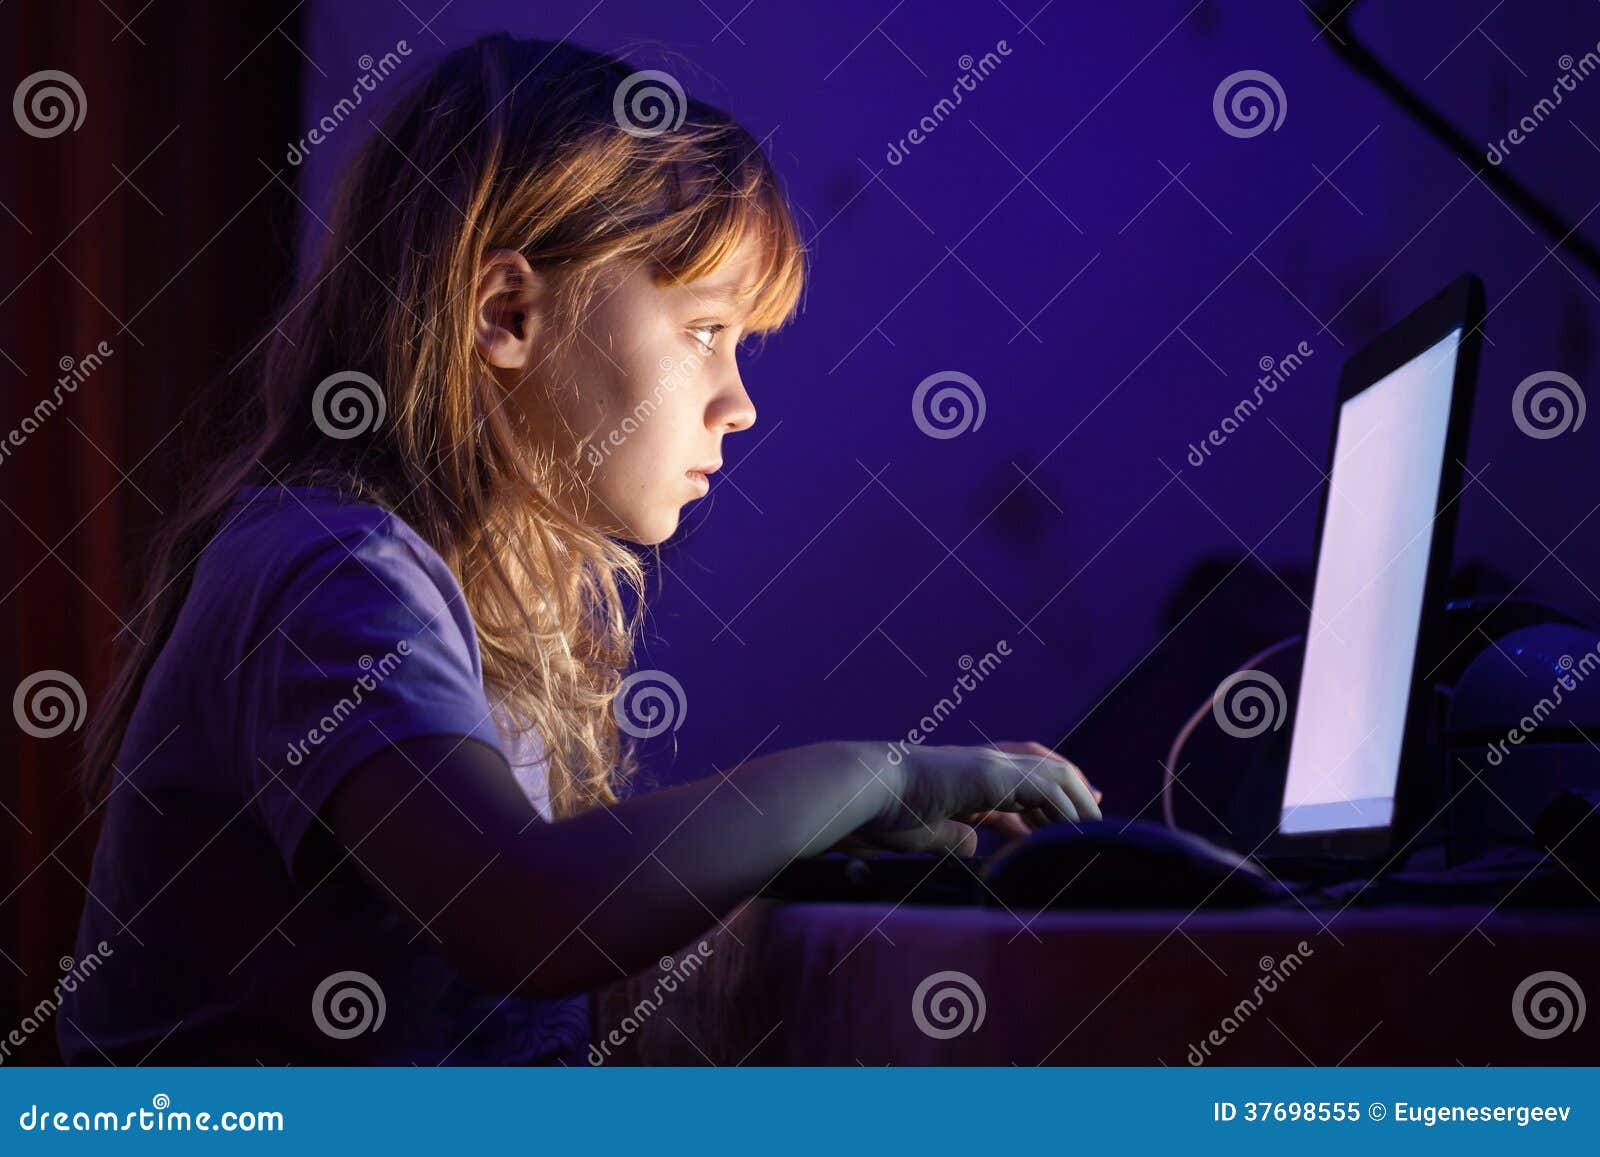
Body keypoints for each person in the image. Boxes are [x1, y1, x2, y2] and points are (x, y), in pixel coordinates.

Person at [60, 33, 1100, 1065]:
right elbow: (523, 908)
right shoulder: (335, 573)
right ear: (507, 311)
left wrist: (800, 848)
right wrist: (871, 777)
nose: (738, 403)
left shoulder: (445, 586)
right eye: (703, 329)